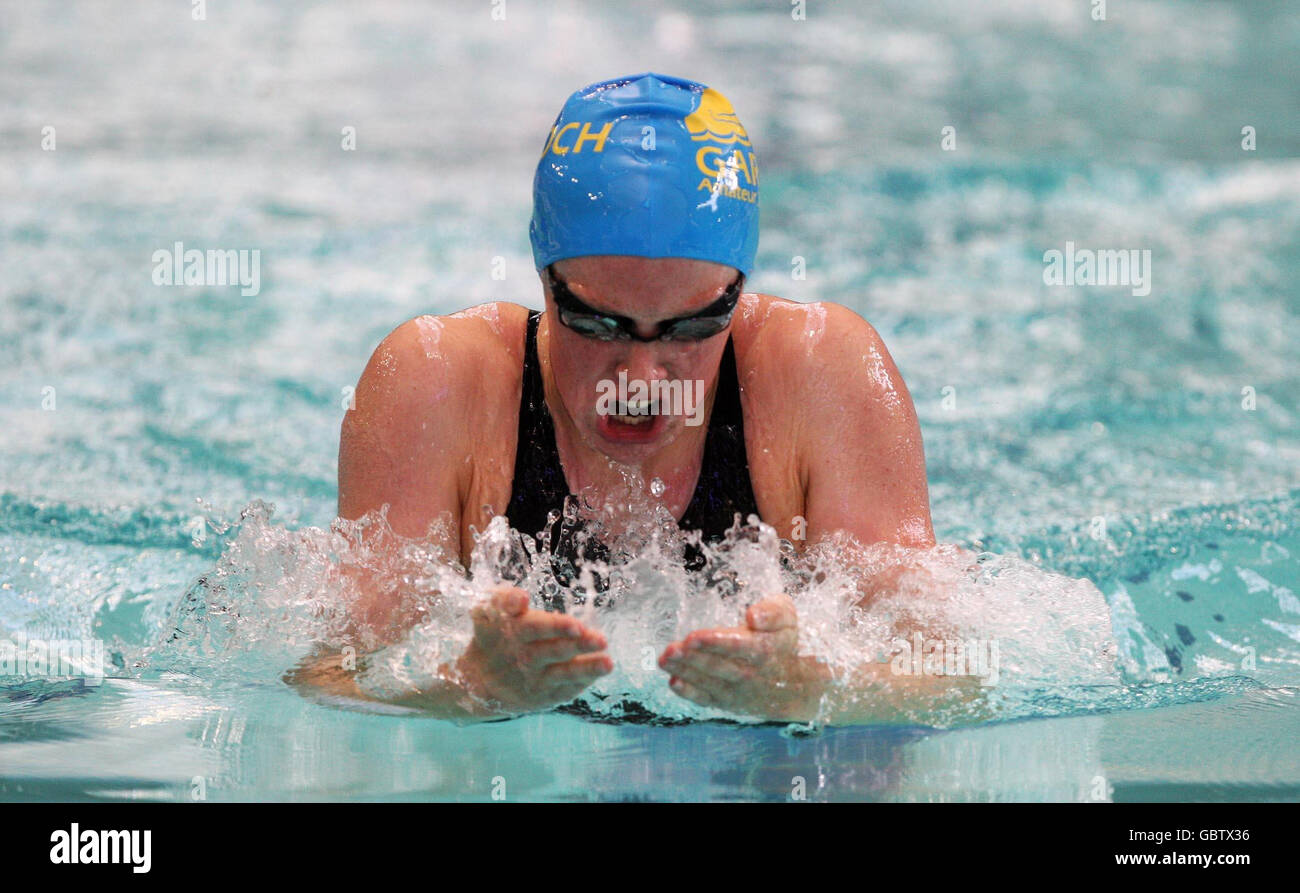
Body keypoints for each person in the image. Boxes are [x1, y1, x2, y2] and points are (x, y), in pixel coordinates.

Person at [297, 73, 943, 723]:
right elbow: (323, 682)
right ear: (545, 279)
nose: (640, 379)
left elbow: (952, 674)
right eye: (599, 324)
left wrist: (818, 690)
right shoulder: (435, 383)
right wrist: (462, 688)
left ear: (737, 290)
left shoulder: (823, 375)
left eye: (691, 329)